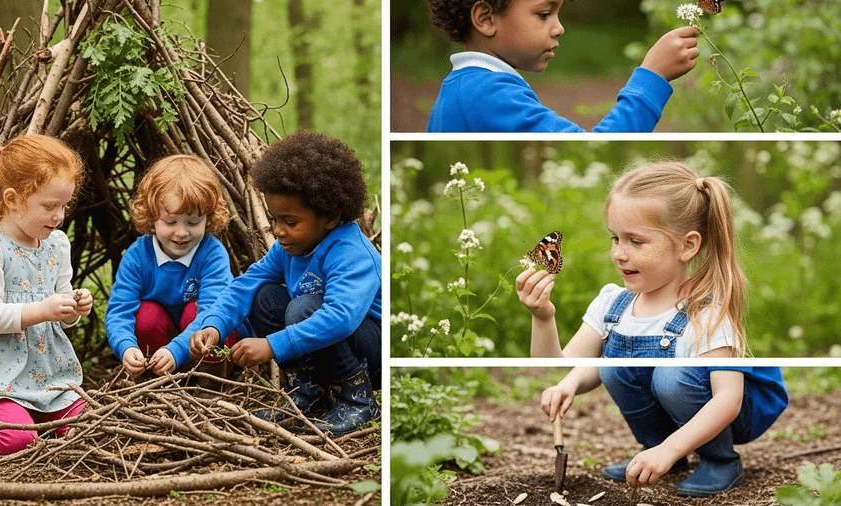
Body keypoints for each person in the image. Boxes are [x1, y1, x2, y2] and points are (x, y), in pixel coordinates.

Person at [516, 162, 788, 497]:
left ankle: (720, 460)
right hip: (676, 425)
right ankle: (654, 448)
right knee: (614, 369)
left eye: (635, 241)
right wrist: (545, 323)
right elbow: (562, 361)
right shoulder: (612, 303)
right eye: (615, 238)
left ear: (687, 246)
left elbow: (728, 400)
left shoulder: (707, 313)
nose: (618, 253)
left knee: (670, 377)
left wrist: (672, 448)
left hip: (725, 416)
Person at [188, 131, 381, 437]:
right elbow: (246, 283)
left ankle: (356, 398)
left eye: (290, 222)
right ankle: (309, 391)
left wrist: (271, 345)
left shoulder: (351, 254)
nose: (277, 230)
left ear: (329, 216)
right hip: (327, 341)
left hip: (371, 353)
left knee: (303, 308)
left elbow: (341, 318)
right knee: (262, 296)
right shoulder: (290, 248)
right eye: (274, 219)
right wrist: (214, 325)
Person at [0, 134, 91, 455]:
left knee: (88, 426)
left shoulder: (57, 245)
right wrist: (44, 310)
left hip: (44, 376)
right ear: (12, 199)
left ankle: (33, 412)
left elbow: (63, 318)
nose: (59, 215)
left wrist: (73, 308)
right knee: (16, 439)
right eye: (49, 206)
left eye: (64, 205)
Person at [425, 0, 700, 132]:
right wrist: (652, 77)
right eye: (544, 14)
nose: (559, 28)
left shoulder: (470, 86)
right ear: (485, 19)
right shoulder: (487, 93)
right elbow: (596, 144)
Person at [105, 154, 242, 377]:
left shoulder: (212, 253)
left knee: (202, 315)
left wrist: (176, 351)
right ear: (152, 216)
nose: (181, 232)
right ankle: (157, 382)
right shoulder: (138, 256)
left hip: (201, 355)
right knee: (146, 315)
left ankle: (211, 386)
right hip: (162, 358)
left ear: (208, 217)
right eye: (170, 222)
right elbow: (120, 310)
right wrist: (126, 347)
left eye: (193, 222)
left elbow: (213, 310)